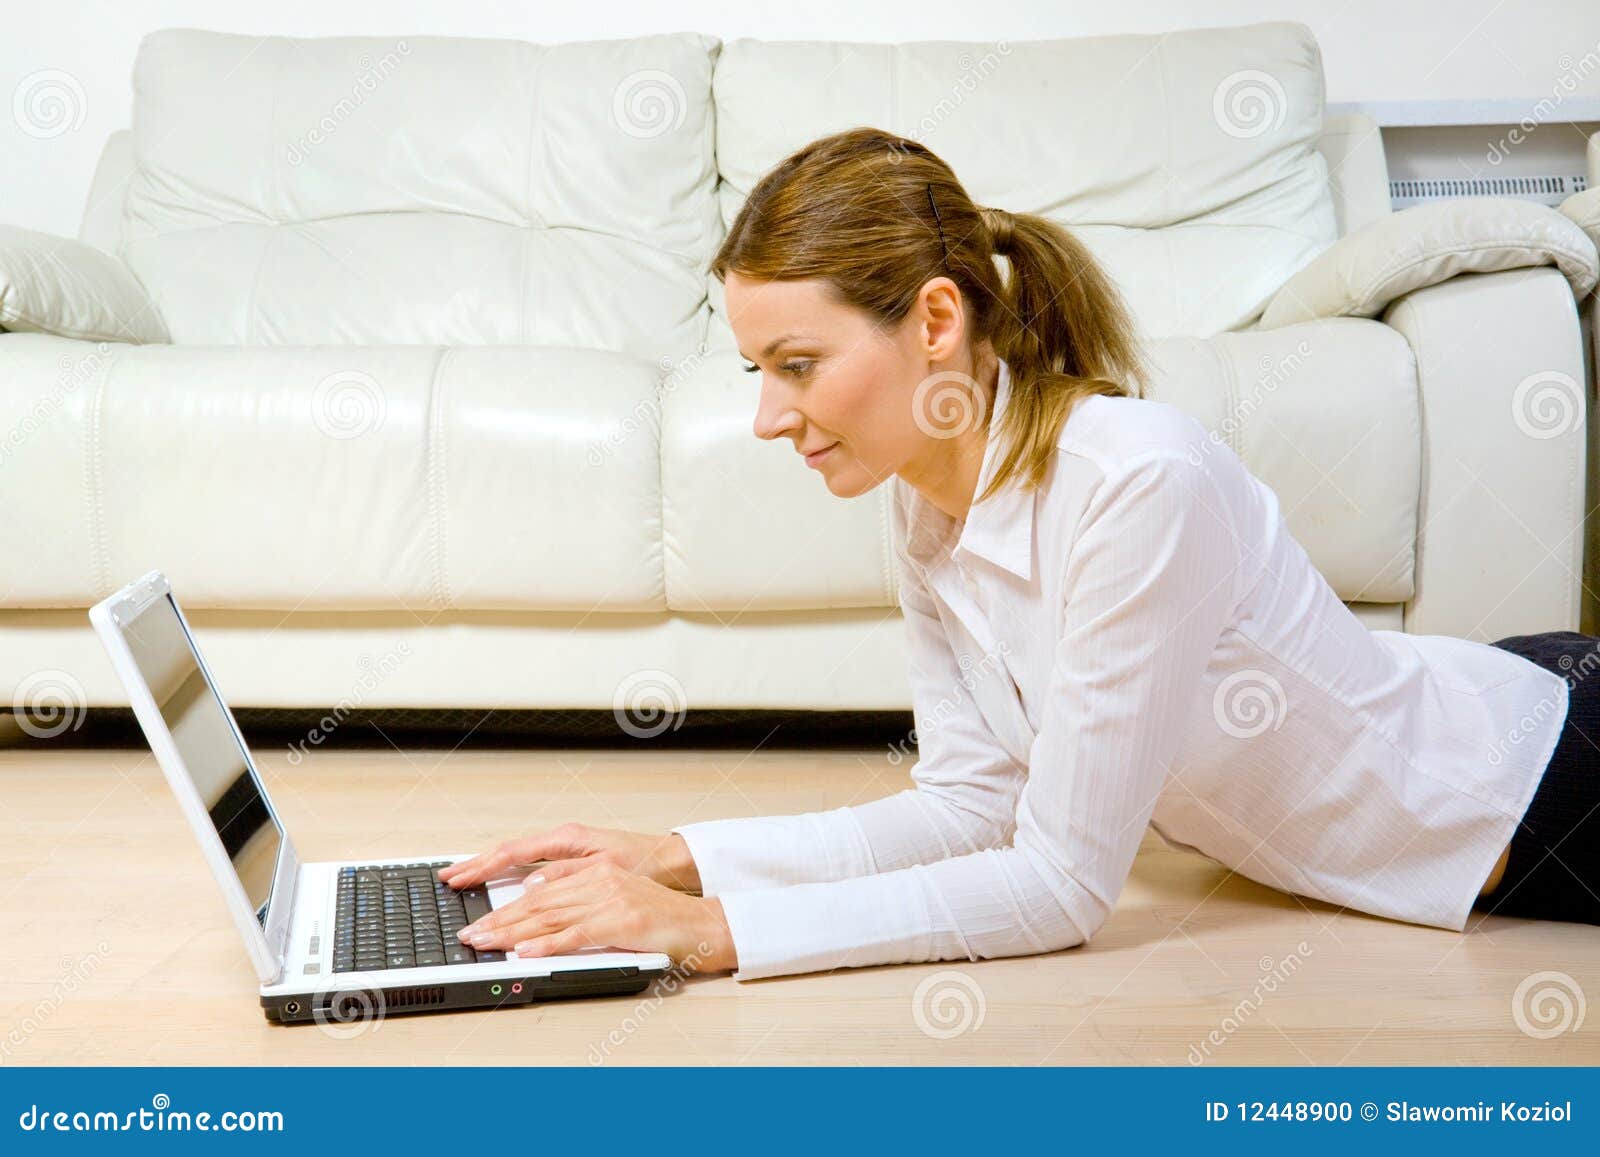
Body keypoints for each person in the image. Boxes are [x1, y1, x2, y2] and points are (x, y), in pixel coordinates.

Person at [439, 127, 1600, 980]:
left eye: (796, 364)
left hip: (1538, 783)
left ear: (936, 322)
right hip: (1483, 689)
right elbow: (971, 803)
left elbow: (1059, 887)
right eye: (758, 373)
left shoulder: (1133, 483)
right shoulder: (927, 499)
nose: (767, 416)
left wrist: (709, 931)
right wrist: (679, 853)